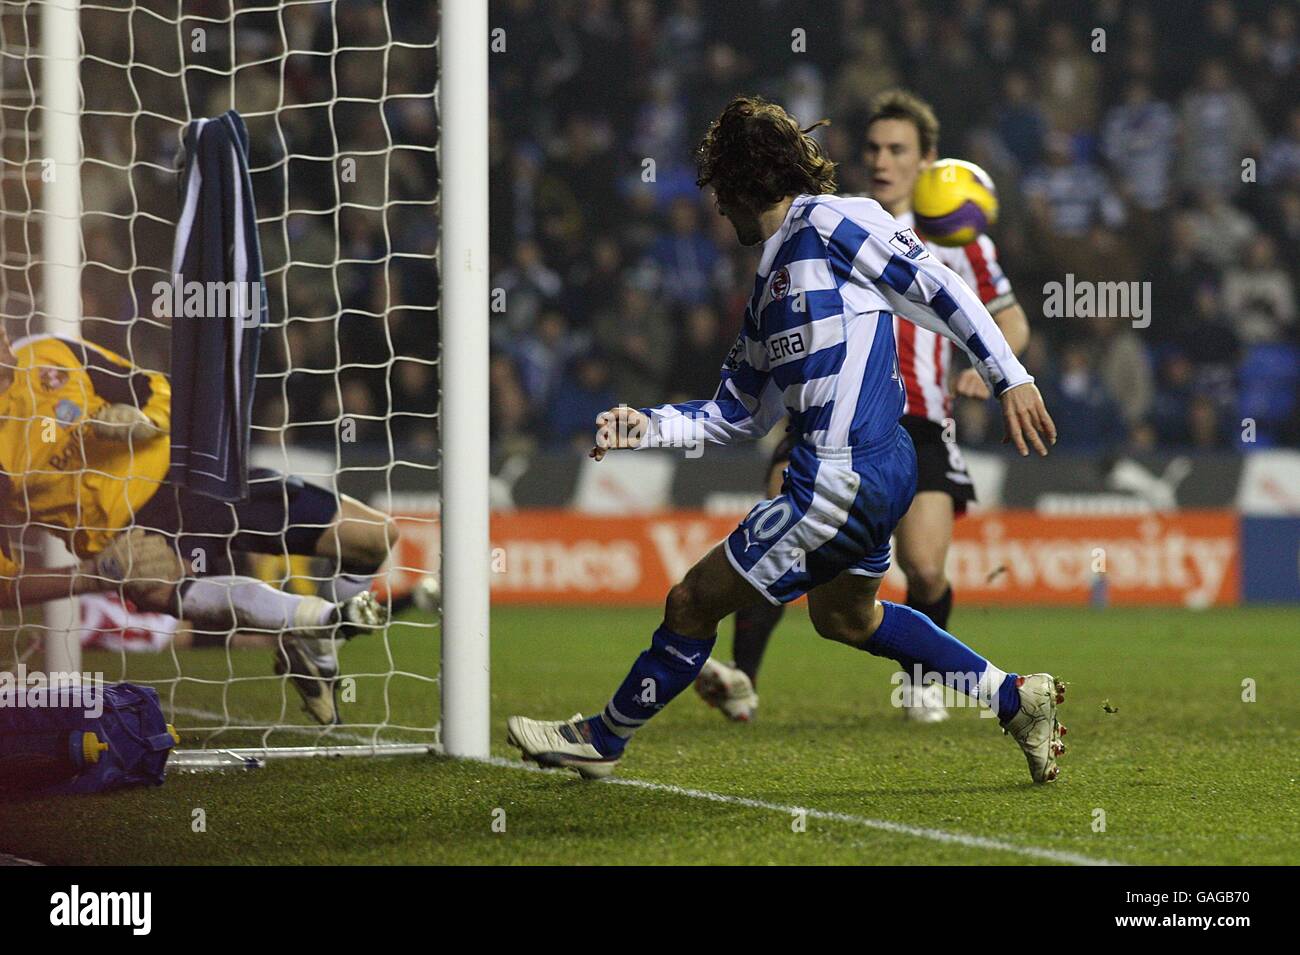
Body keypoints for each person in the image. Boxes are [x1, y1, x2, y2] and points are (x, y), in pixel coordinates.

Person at [507, 96, 1065, 784]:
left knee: (690, 601)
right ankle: (1016, 697)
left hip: (842, 474)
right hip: (873, 471)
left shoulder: (835, 220)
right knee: (846, 618)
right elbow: (735, 413)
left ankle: (603, 736)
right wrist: (646, 424)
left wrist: (1008, 375)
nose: (716, 210)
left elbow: (938, 287)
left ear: (742, 185)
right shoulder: (768, 287)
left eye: (718, 192)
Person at [696, 90, 1033, 725]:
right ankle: (744, 677)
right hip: (825, 411)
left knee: (924, 568)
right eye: (874, 147)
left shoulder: (958, 235)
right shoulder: (839, 221)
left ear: (927, 159)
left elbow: (1010, 320)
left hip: (921, 419)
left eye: (897, 149)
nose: (881, 160)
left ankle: (925, 678)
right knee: (776, 528)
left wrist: (984, 372)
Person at [0, 329, 397, 724]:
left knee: (376, 536)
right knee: (159, 585)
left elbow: (155, 387)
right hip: (133, 536)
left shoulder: (48, 352)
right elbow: (4, 585)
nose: (4, 334)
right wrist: (90, 577)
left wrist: (145, 421)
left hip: (197, 476)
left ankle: (318, 650)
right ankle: (322, 621)